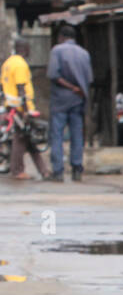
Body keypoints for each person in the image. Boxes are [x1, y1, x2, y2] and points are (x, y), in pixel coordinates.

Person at [47, 26, 92, 182]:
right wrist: (77, 89)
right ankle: (77, 169)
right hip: (78, 99)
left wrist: (71, 87)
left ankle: (58, 171)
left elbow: (53, 75)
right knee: (77, 135)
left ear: (61, 37)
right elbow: (89, 79)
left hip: (60, 100)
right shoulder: (84, 53)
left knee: (57, 135)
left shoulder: (57, 51)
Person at [3, 39, 52, 181]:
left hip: (11, 106)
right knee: (21, 138)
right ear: (23, 48)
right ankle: (17, 170)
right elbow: (21, 88)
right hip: (21, 108)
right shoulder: (20, 64)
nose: (30, 51)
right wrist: (25, 111)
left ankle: (44, 171)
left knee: (28, 138)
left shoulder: (8, 63)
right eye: (29, 48)